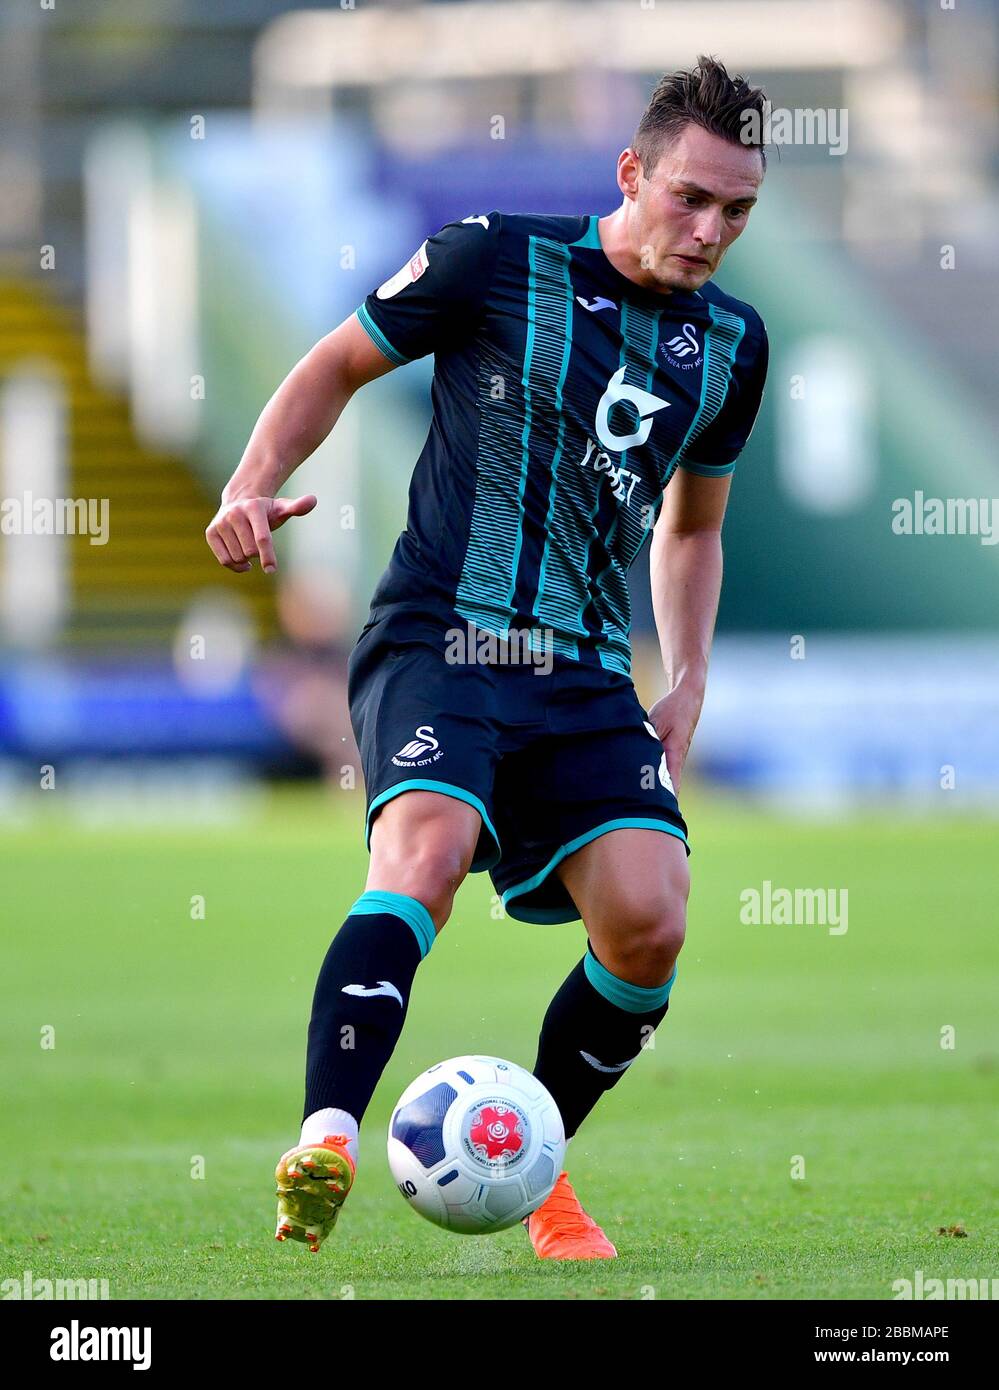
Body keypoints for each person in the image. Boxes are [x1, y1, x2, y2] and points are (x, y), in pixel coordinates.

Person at [205, 55, 770, 1260]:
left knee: (649, 921)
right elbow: (336, 365)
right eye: (690, 199)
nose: (711, 230)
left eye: (737, 211)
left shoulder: (731, 344)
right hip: (442, 634)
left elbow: (696, 525)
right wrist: (254, 484)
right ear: (632, 173)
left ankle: (535, 1161)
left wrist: (691, 676)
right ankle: (328, 1138)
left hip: (579, 671)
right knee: (428, 852)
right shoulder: (492, 256)